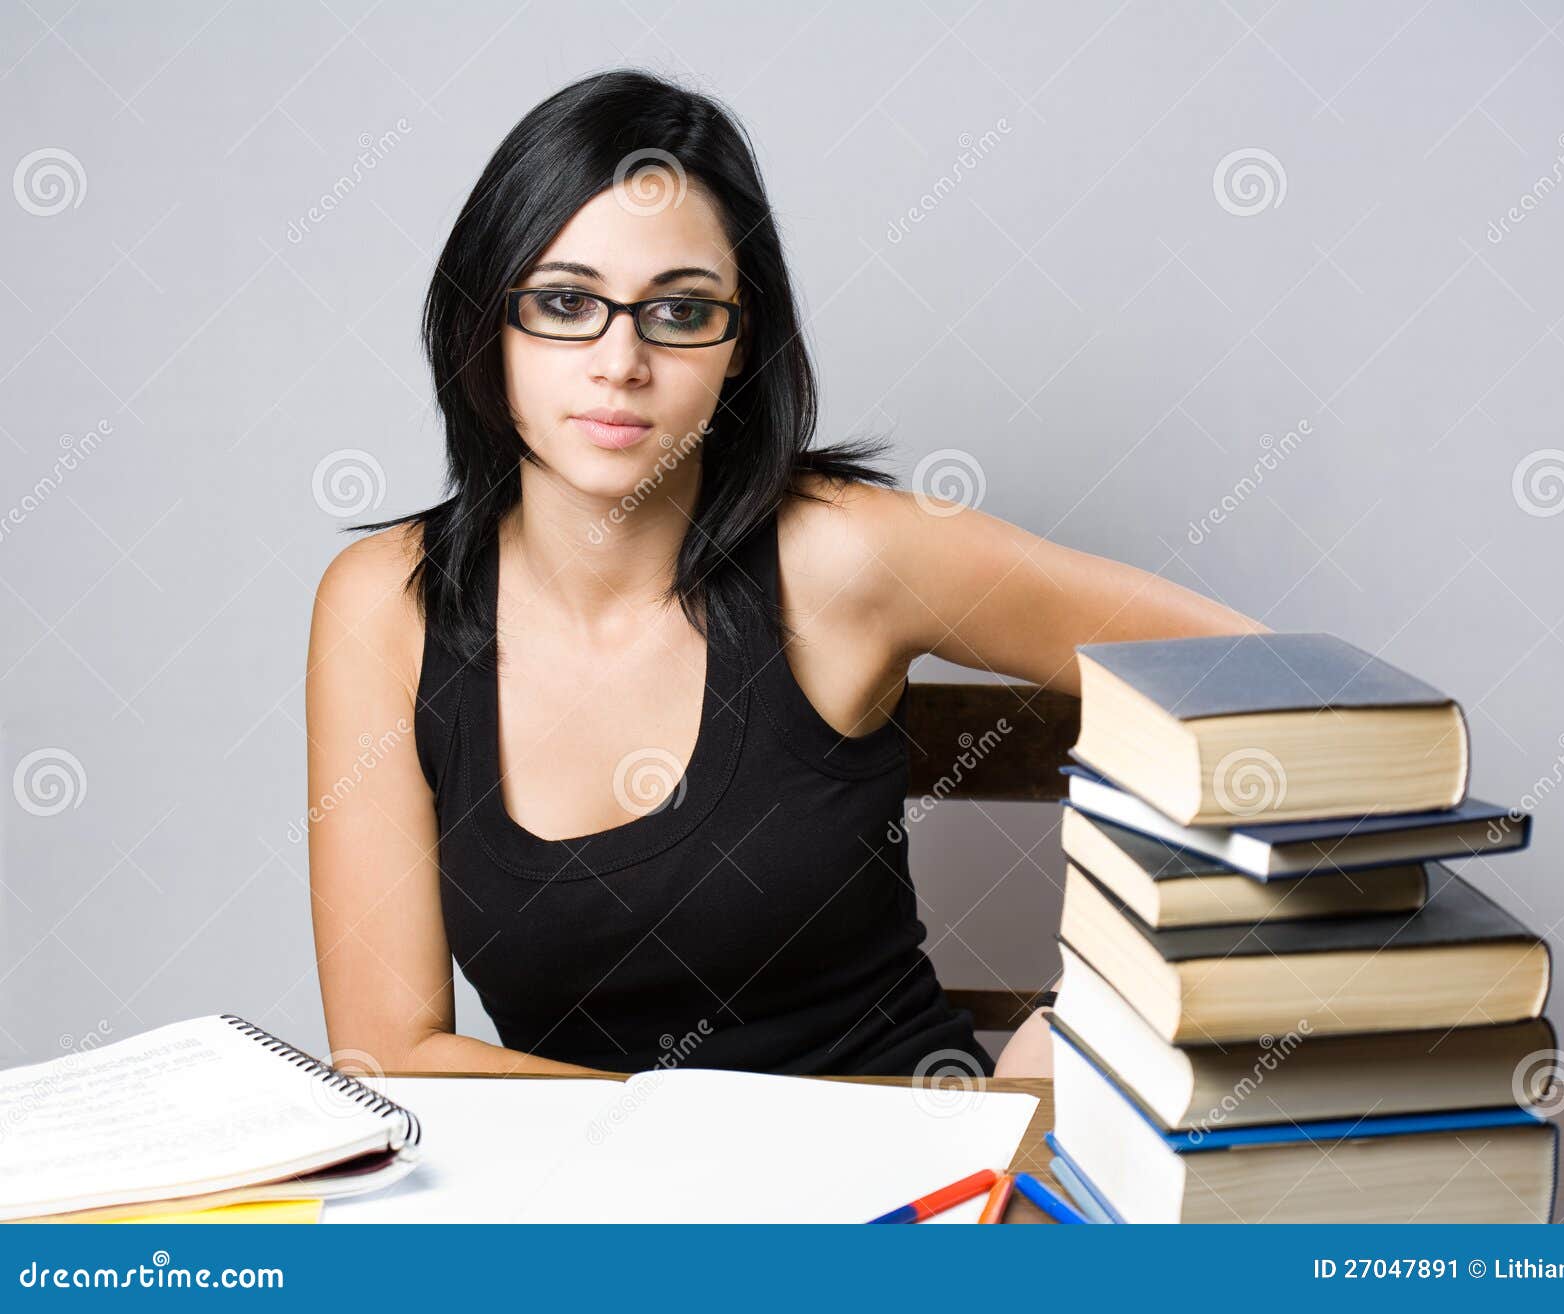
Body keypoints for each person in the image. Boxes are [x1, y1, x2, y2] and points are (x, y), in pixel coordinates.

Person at [305, 69, 1265, 1082]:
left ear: (738, 344)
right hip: (606, 1207)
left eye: (678, 313)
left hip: (910, 1186)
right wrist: (718, 1167)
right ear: (481, 324)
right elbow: (393, 1054)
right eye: (564, 302)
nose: (620, 360)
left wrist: (1094, 1017)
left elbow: (1268, 682)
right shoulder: (385, 605)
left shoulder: (848, 555)